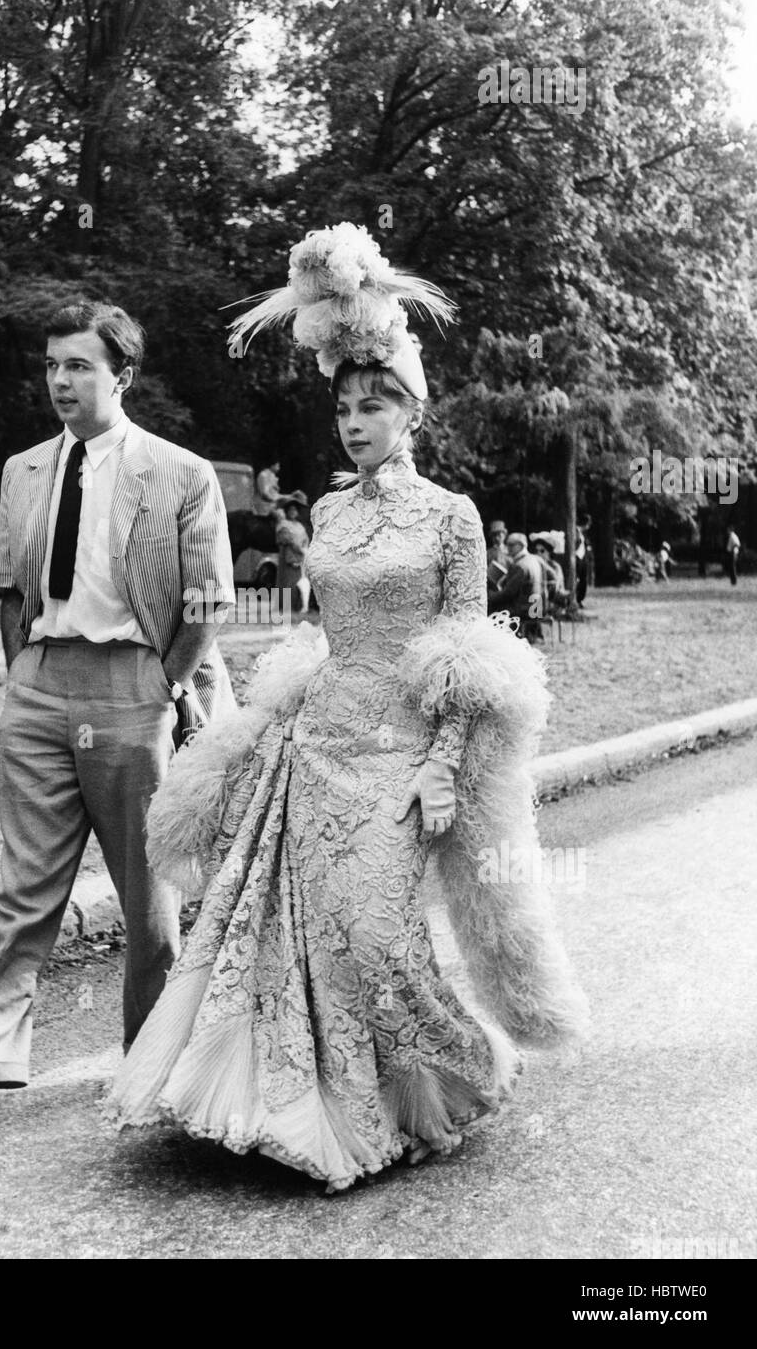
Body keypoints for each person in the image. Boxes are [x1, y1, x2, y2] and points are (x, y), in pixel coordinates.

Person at [106, 224, 587, 1191]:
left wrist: (444, 764)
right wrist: (267, 723)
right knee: (301, 932)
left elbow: (467, 655)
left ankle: (455, 1067)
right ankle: (304, 1097)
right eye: (344, 407)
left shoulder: (452, 517)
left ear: (411, 412)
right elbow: (327, 634)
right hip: (315, 744)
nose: (356, 422)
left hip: (402, 755)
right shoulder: (326, 513)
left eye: (375, 406)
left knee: (378, 932)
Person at [0, 299, 236, 1140]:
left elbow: (205, 601)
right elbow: (12, 591)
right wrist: (24, 681)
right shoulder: (24, 470)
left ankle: (147, 1073)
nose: (61, 382)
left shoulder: (182, 474)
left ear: (123, 374)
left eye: (79, 365)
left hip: (133, 689)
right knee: (23, 893)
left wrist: (162, 684)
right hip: (42, 687)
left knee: (149, 902)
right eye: (51, 366)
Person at [488, 532, 545, 642]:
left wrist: (491, 597)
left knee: (493, 607)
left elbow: (508, 593)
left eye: (510, 545)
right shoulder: (534, 560)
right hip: (536, 608)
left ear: (520, 545)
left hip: (523, 609)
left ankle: (496, 640)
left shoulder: (520, 565)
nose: (507, 548)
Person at [275, 500, 310, 614]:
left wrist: (305, 549)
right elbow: (288, 539)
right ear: (287, 512)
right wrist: (300, 550)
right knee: (288, 581)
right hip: (288, 555)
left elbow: (305, 539)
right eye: (290, 510)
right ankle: (286, 606)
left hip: (300, 556)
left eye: (294, 510)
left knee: (299, 583)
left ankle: (298, 606)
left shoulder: (299, 525)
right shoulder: (283, 524)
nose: (292, 512)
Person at [530, 533, 567, 613]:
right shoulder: (534, 564)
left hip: (553, 600)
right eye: (536, 551)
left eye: (542, 551)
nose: (538, 554)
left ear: (549, 552)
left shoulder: (554, 566)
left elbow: (556, 586)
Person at [486, 519, 510, 596]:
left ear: (504, 535)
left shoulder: (510, 551)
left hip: (508, 586)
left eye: (499, 535)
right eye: (494, 536)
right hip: (492, 589)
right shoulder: (488, 553)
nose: (497, 538)